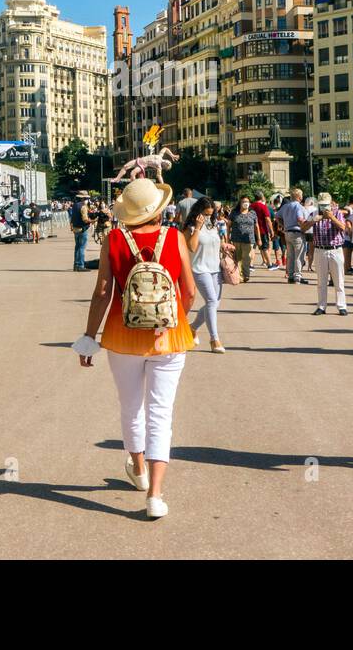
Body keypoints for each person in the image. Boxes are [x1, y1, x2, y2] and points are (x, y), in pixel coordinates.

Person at [75, 177, 197, 520]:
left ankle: (139, 471)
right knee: (161, 412)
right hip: (169, 338)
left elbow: (102, 292)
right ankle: (156, 496)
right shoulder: (174, 237)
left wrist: (88, 337)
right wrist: (173, 320)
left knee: (131, 407)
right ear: (158, 209)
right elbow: (188, 291)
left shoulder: (114, 239)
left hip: (121, 333)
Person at [184, 197, 231, 353]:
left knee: (215, 303)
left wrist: (224, 246)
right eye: (205, 214)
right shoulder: (190, 227)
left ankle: (192, 327)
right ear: (198, 212)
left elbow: (214, 242)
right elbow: (191, 247)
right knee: (211, 301)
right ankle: (214, 339)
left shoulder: (213, 225)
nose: (208, 217)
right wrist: (197, 227)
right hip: (199, 268)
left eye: (211, 214)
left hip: (215, 268)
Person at [306, 192, 349, 316]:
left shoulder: (337, 213)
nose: (323, 208)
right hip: (320, 250)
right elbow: (303, 228)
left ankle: (341, 306)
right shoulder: (314, 214)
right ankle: (321, 306)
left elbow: (343, 228)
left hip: (335, 249)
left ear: (330, 203)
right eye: (321, 205)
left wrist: (332, 218)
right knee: (321, 281)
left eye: (325, 205)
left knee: (339, 280)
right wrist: (313, 221)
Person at [277, 190, 308, 284]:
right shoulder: (299, 207)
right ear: (299, 196)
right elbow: (300, 219)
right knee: (299, 256)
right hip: (297, 232)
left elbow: (277, 216)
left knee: (290, 255)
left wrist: (283, 225)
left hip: (287, 232)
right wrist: (304, 227)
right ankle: (297, 276)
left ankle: (290, 275)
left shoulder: (286, 206)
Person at [228, 196, 261, 282]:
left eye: (247, 201)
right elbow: (228, 225)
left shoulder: (252, 213)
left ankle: (246, 275)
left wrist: (259, 238)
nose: (245, 203)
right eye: (243, 201)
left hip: (249, 239)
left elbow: (256, 226)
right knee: (238, 258)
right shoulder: (234, 212)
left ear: (249, 203)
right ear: (240, 203)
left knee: (247, 258)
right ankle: (239, 275)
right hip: (236, 239)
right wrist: (228, 238)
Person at [251, 192, 275, 270]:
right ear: (262, 197)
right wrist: (271, 231)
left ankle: (251, 264)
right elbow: (268, 219)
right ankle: (269, 264)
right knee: (265, 247)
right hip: (262, 230)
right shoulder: (263, 206)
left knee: (253, 247)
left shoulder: (251, 206)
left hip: (252, 230)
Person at [69, 191, 90, 271]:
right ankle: (81, 265)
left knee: (77, 247)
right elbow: (85, 219)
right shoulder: (83, 207)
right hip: (82, 229)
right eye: (87, 198)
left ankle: (76, 265)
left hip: (75, 228)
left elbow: (72, 217)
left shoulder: (74, 205)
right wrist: (92, 220)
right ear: (84, 198)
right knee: (81, 247)